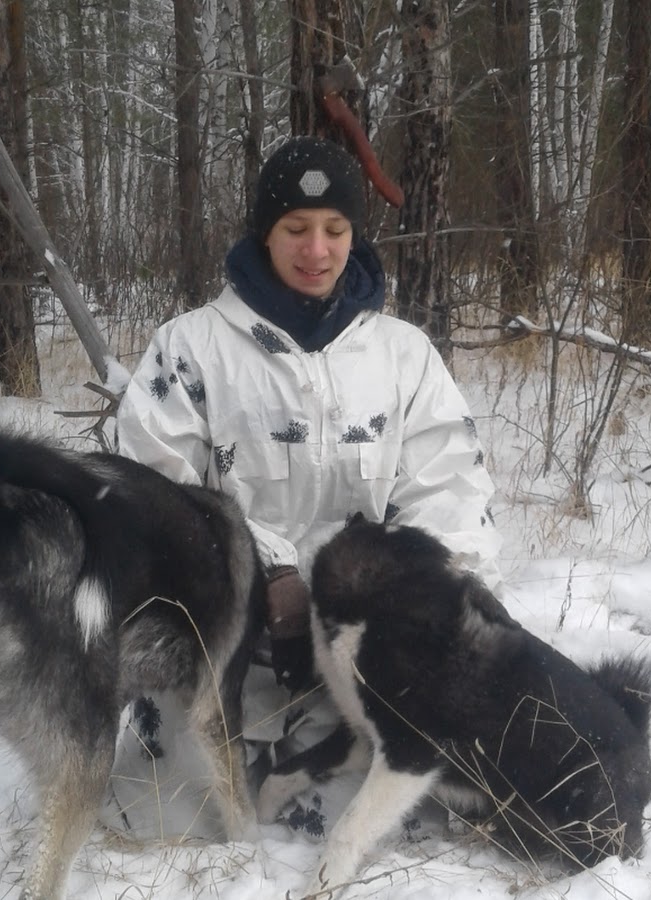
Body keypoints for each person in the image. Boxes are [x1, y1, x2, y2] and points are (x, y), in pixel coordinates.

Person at [112, 136, 501, 836]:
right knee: (169, 821)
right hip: (226, 625)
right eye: (296, 229)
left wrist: (384, 595)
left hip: (363, 636)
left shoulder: (401, 354)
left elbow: (452, 491)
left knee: (419, 794)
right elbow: (150, 487)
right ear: (266, 233)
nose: (316, 250)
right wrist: (271, 572)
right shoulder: (191, 348)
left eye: (335, 230)